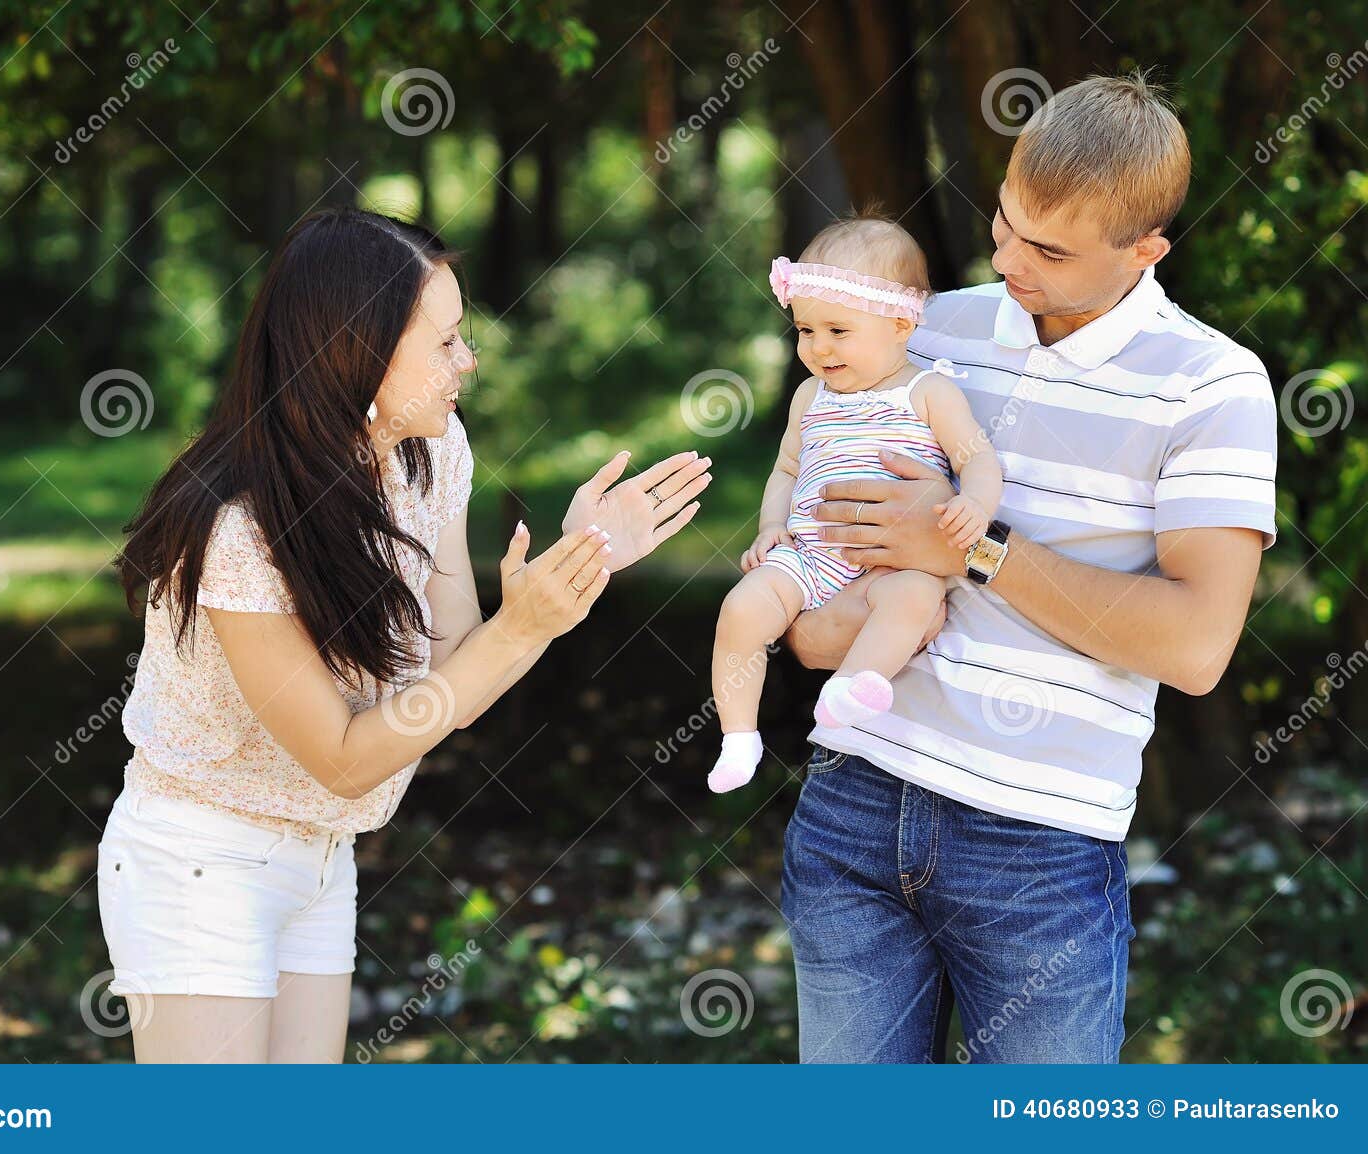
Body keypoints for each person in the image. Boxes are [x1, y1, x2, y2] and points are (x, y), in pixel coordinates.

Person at [100, 208, 713, 1062]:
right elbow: (345, 756)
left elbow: (451, 682)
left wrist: (578, 568)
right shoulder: (240, 527)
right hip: (201, 860)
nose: (469, 361)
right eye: (446, 342)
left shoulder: (431, 454)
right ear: (355, 351)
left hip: (323, 857)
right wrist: (521, 630)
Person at [778, 73, 1278, 1063]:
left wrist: (971, 545)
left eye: (1048, 250)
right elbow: (814, 569)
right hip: (854, 802)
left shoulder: (1212, 386)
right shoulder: (922, 330)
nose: (1007, 259)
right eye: (1003, 224)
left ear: (1146, 252)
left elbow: (1195, 646)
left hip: (1039, 849)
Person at [708, 216, 1002, 793]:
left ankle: (851, 682)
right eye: (805, 330)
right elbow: (787, 469)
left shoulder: (928, 393)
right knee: (741, 610)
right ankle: (738, 735)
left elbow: (979, 458)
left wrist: (976, 504)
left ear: (900, 322)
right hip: (809, 556)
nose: (818, 347)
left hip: (886, 566)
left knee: (917, 595)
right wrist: (771, 526)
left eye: (837, 330)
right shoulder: (810, 396)